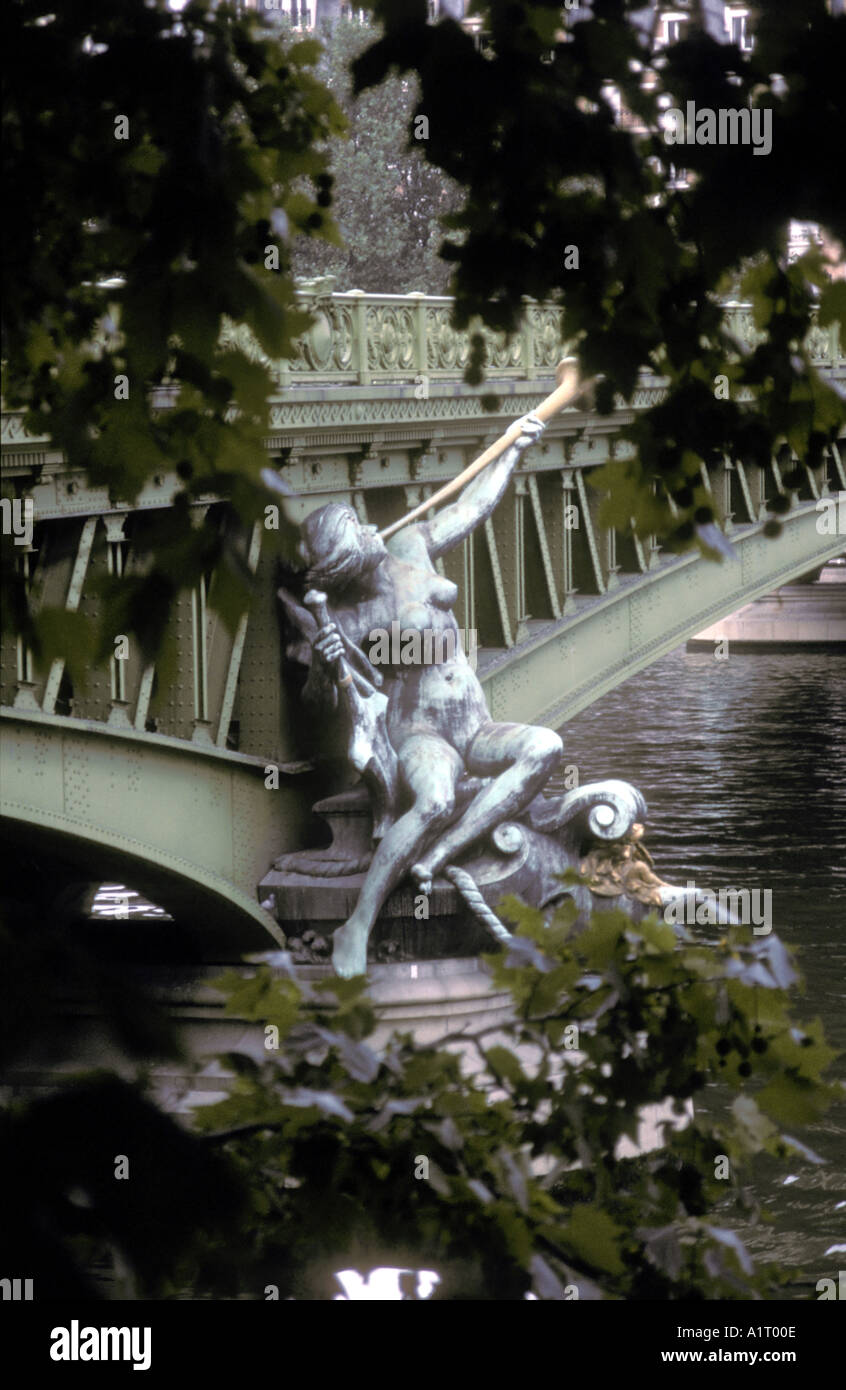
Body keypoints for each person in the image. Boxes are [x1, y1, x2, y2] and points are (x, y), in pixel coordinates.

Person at [302, 412, 563, 976]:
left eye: (361, 524)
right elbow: (325, 704)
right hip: (421, 733)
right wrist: (327, 667)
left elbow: (471, 507)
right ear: (344, 564)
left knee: (544, 747)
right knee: (435, 800)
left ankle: (443, 853)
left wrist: (512, 448)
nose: (369, 532)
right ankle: (359, 924)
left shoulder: (410, 545)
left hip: (475, 723)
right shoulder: (348, 617)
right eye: (355, 533)